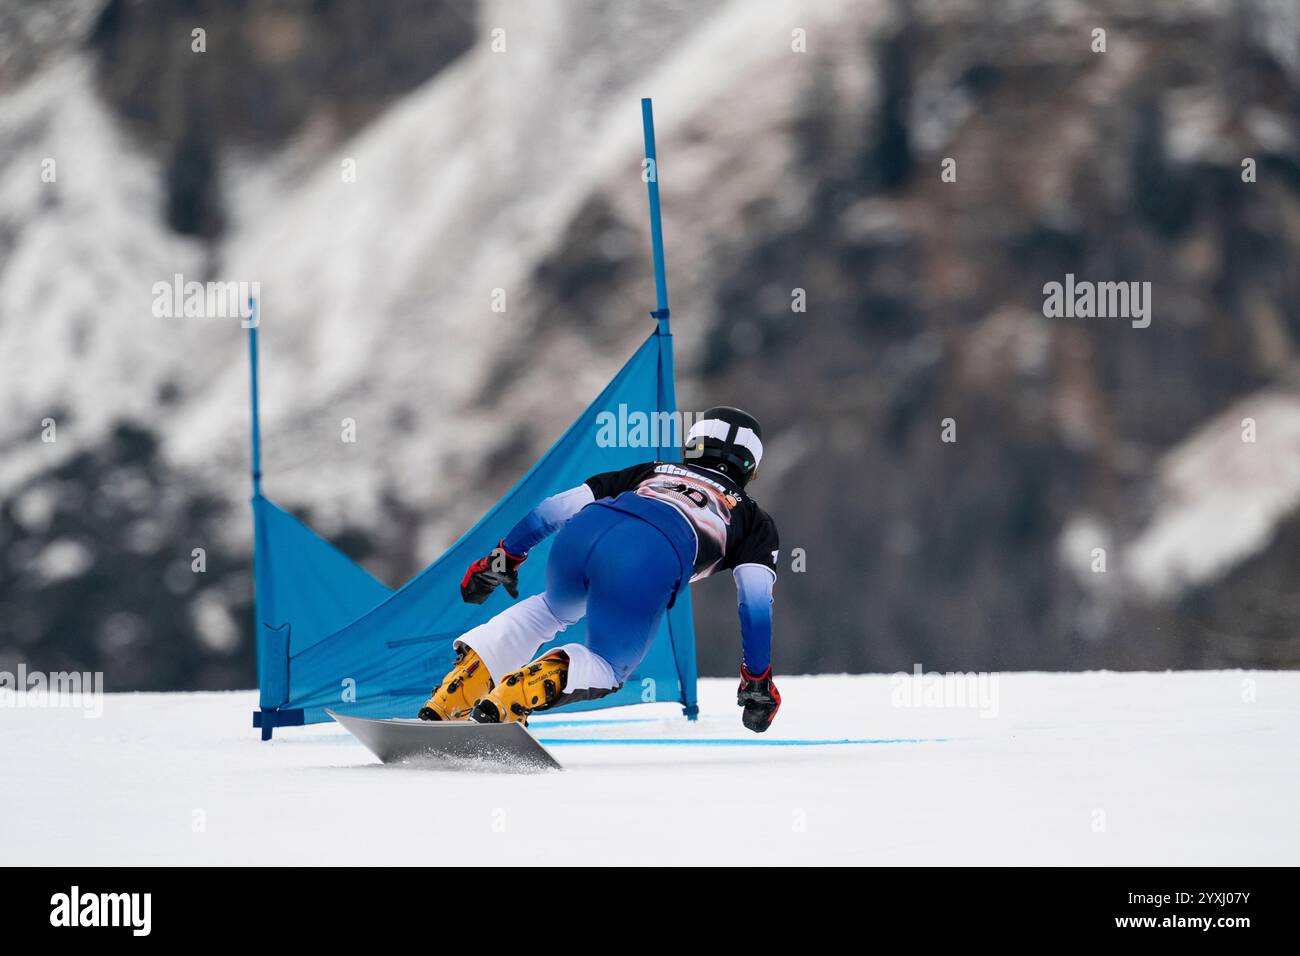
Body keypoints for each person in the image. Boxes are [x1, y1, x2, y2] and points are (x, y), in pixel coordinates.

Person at [418, 406, 782, 732]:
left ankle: (455, 693)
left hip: (584, 532)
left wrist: (503, 558)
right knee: (608, 666)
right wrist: (757, 680)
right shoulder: (754, 521)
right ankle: (522, 690)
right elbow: (755, 608)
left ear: (693, 446)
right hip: (649, 556)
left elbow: (555, 508)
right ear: (750, 467)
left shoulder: (652, 470)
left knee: (549, 609)